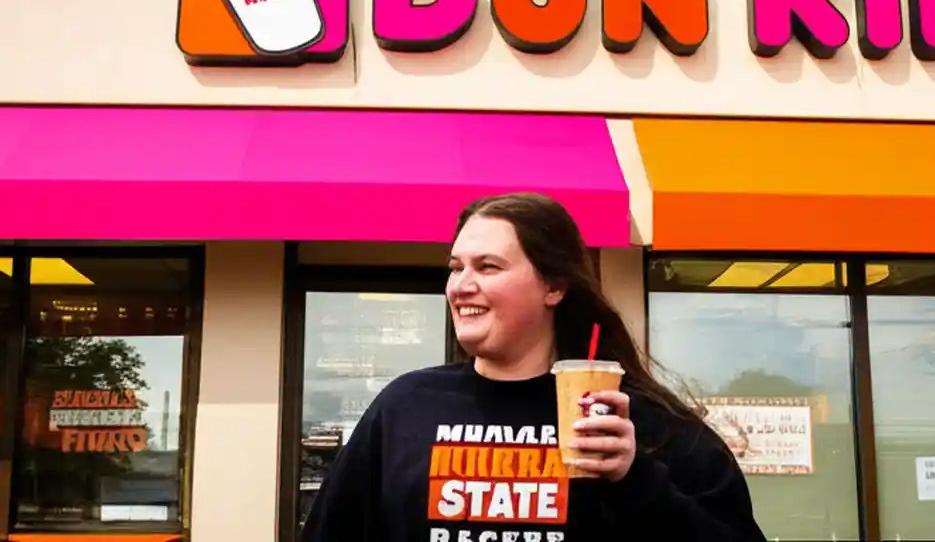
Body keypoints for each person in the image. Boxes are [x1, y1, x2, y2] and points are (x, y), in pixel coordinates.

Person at [301, 192, 765, 541]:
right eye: (456, 267)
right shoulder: (406, 407)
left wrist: (636, 480)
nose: (461, 285)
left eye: (488, 267)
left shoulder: (634, 424)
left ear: (553, 286)